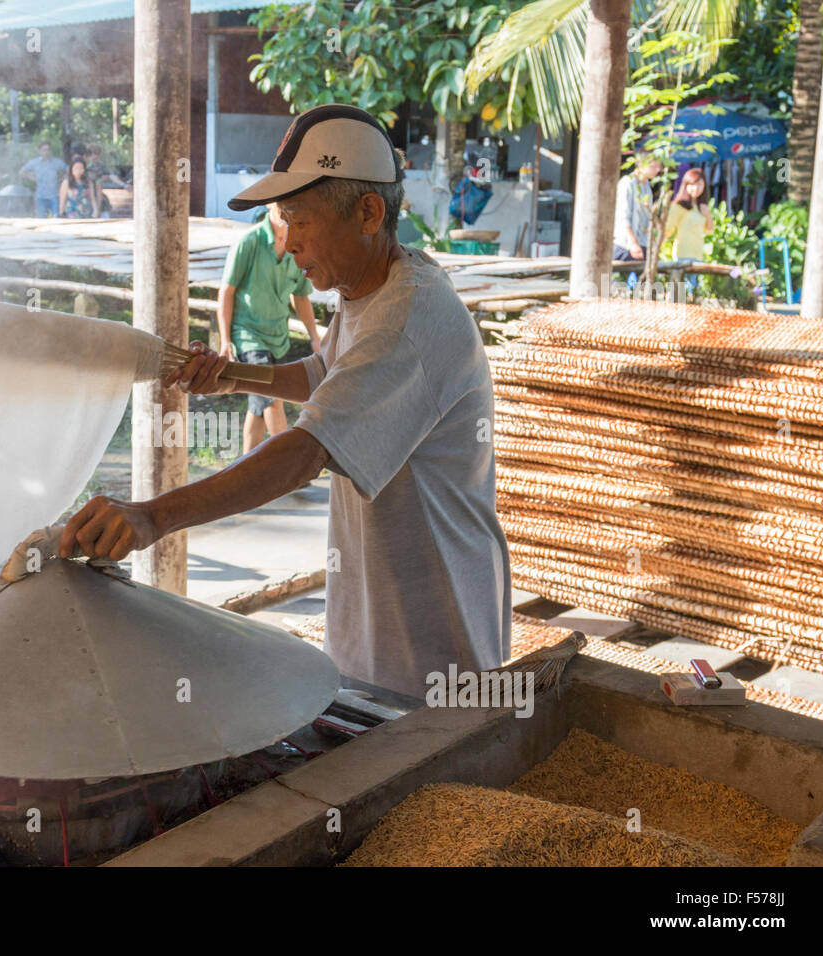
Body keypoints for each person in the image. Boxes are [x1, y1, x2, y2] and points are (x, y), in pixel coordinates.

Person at [60, 104, 512, 705]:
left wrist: (152, 517)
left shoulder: (409, 316)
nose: (288, 242)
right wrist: (236, 378)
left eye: (298, 219)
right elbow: (326, 373)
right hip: (377, 612)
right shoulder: (366, 288)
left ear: (369, 212)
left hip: (432, 634)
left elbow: (305, 454)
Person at [219, 204, 321, 454]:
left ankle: (242, 467)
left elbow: (301, 297)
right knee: (272, 399)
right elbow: (226, 292)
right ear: (269, 205)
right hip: (248, 336)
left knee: (258, 404)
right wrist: (225, 341)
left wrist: (314, 337)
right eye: (279, 205)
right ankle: (289, 465)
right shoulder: (249, 242)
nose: (285, 211)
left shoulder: (298, 246)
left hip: (278, 337)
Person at [613, 151, 662, 261]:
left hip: (643, 244)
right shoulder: (627, 183)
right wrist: (633, 243)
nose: (657, 170)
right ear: (641, 164)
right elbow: (623, 216)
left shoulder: (647, 186)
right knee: (609, 277)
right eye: (653, 166)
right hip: (625, 245)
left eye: (659, 167)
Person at [663, 167, 714, 261]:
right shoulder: (679, 206)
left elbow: (709, 231)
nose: (696, 188)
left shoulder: (701, 207)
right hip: (682, 254)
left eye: (699, 184)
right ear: (685, 185)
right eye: (692, 185)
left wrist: (708, 215)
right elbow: (668, 230)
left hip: (698, 255)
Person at [19, 142, 67, 218]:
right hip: (40, 196)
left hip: (53, 196)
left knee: (56, 218)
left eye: (48, 150)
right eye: (44, 150)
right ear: (40, 151)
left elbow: (69, 170)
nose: (46, 152)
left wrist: (62, 180)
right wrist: (33, 178)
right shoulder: (35, 162)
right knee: (41, 219)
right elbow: (22, 172)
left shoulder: (56, 162)